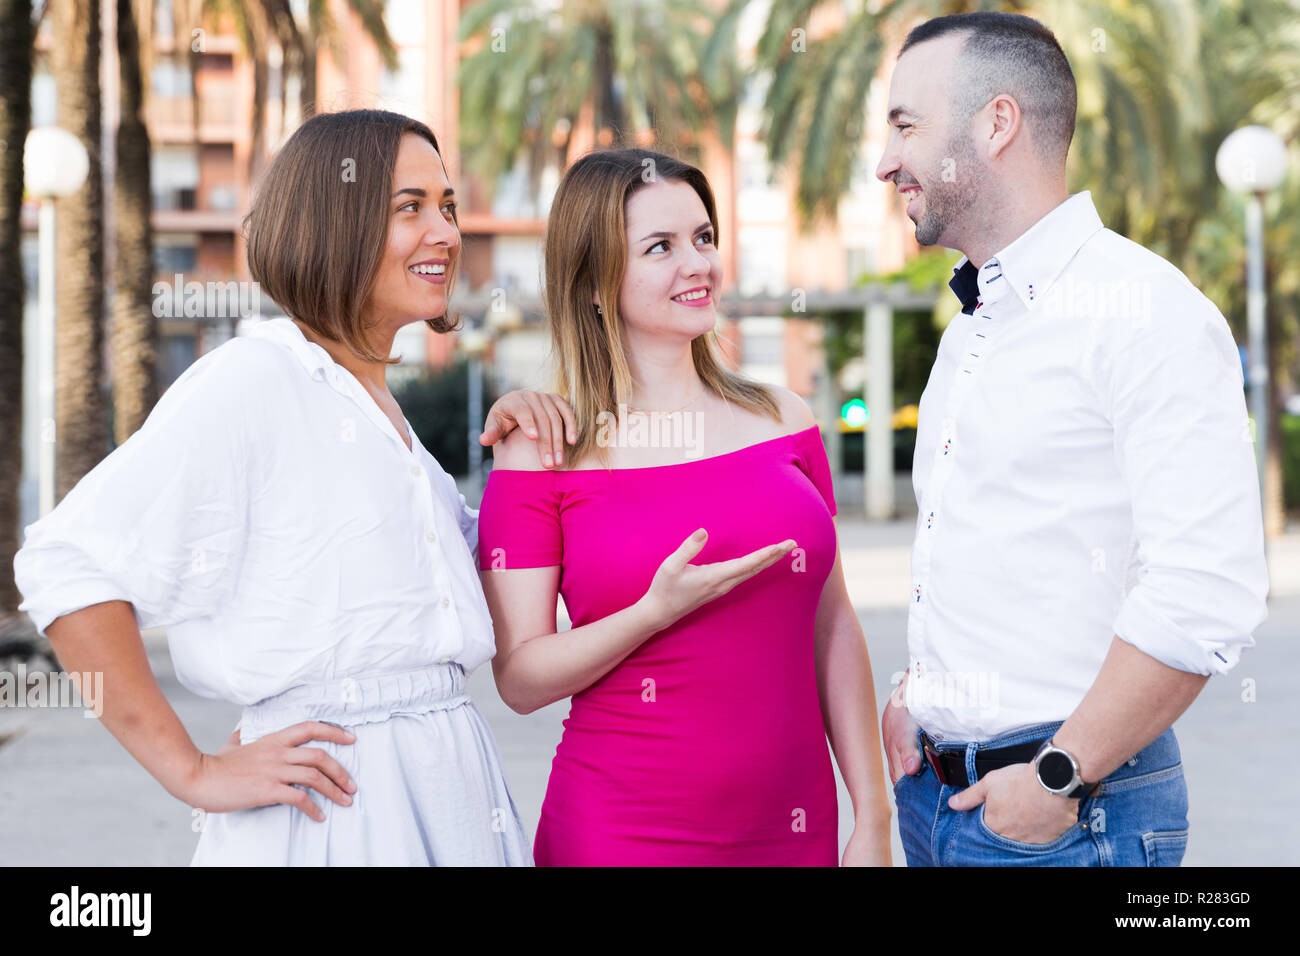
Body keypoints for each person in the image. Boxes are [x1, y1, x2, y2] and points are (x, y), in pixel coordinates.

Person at [12, 109, 574, 866]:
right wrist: (193, 771)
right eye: (410, 208)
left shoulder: (387, 422)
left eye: (445, 206)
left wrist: (521, 458)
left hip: (449, 792)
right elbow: (66, 565)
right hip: (334, 807)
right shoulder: (258, 378)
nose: (444, 232)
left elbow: (500, 593)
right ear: (333, 222)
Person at [873, 12, 1269, 866]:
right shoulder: (969, 331)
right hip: (936, 800)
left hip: (1067, 819)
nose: (886, 161)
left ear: (997, 123)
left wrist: (1058, 778)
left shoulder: (1146, 312)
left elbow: (1205, 591)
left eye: (906, 125)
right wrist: (922, 697)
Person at [477, 149, 893, 866]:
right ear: (597, 282)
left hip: (792, 829)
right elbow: (519, 679)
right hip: (623, 834)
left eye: (703, 238)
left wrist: (873, 816)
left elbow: (833, 627)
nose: (696, 263)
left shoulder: (785, 420)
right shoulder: (544, 450)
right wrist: (652, 612)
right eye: (660, 247)